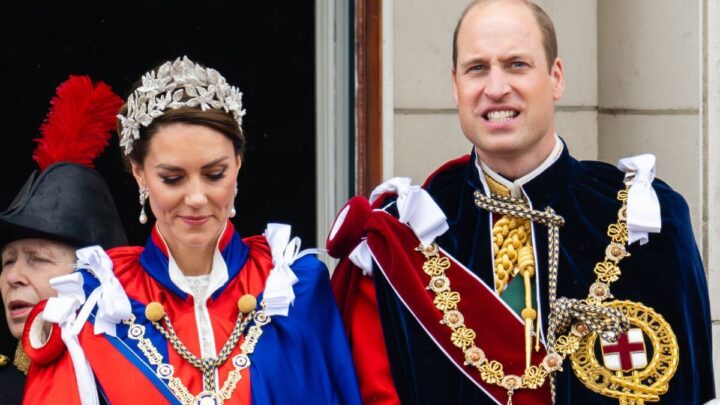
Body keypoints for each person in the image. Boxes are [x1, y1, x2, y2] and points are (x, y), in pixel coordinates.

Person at [326, 0, 716, 404]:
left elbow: (690, 386)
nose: (496, 88)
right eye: (477, 68)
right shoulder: (401, 239)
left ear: (556, 77)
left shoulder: (645, 221)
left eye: (516, 64)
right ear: (455, 85)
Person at [21, 56, 361, 405]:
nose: (197, 198)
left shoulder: (294, 290)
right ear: (139, 173)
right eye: (172, 178)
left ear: (238, 165)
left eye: (215, 174)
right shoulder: (96, 305)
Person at [0, 75, 128, 404]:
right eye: (7, 261)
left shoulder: (142, 380)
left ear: (93, 274)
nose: (12, 276)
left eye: (38, 258)